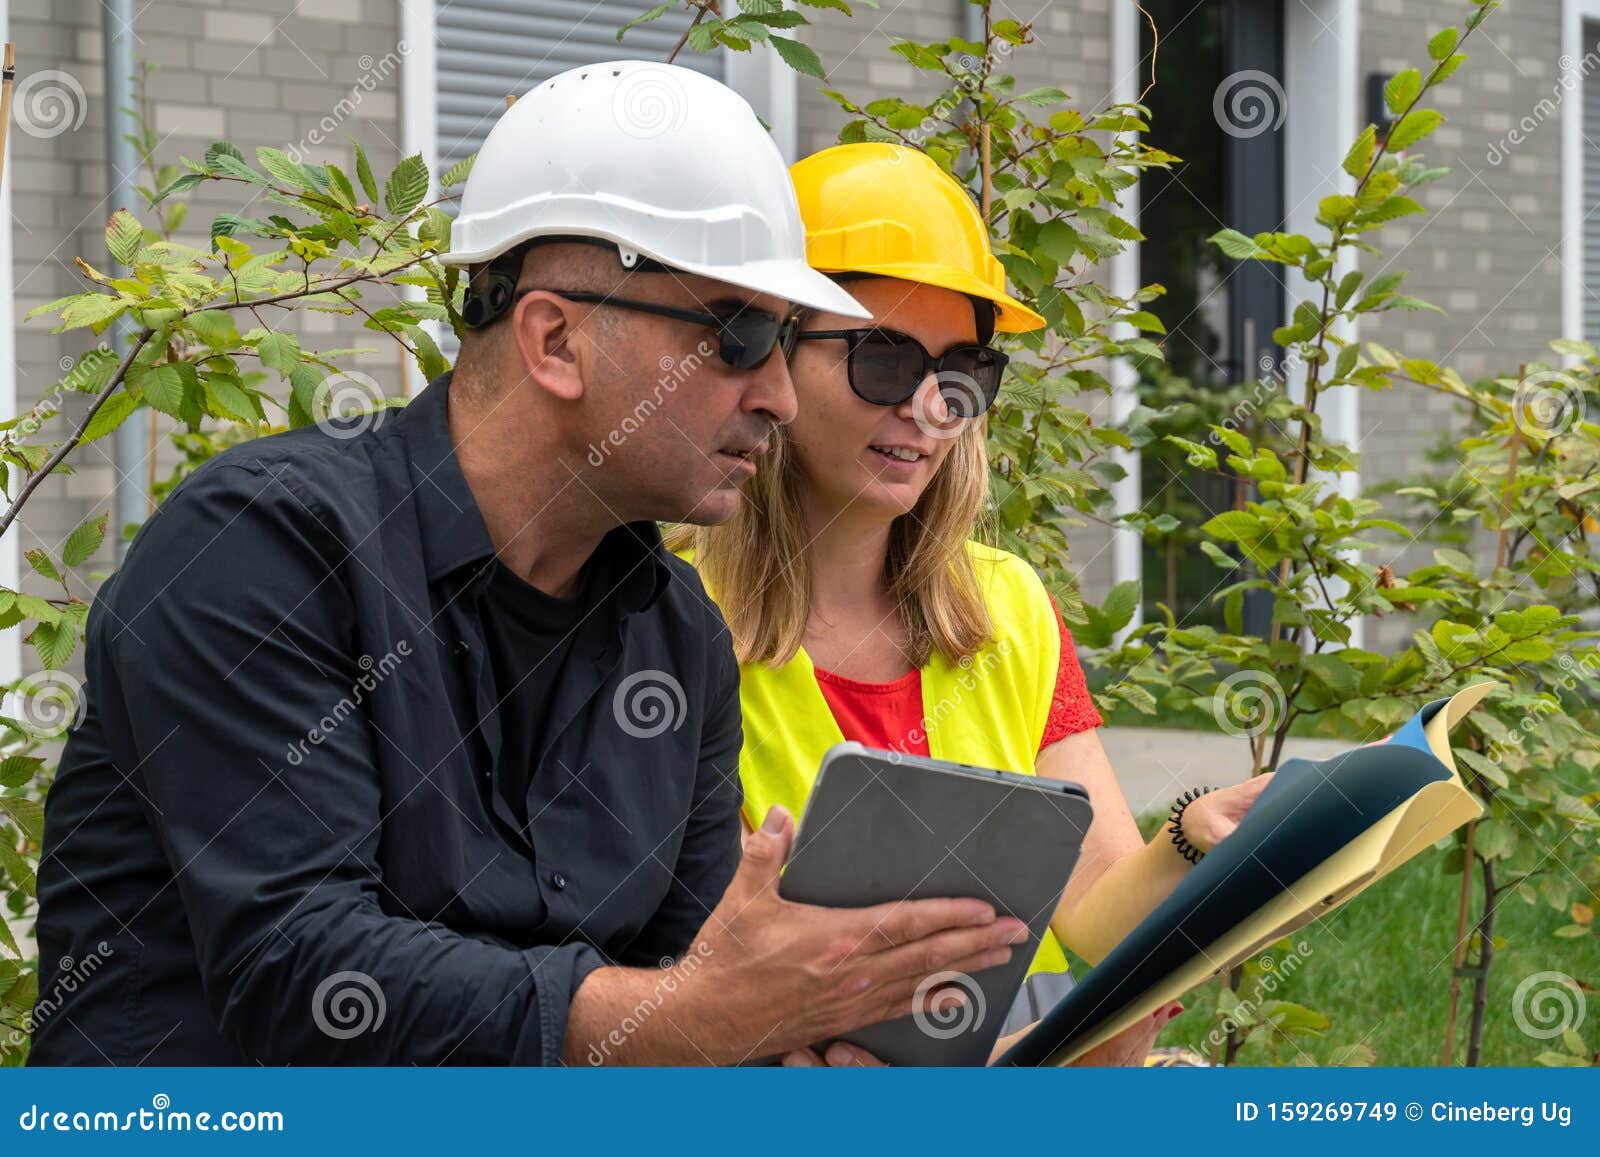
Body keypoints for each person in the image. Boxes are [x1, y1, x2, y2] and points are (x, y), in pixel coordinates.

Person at [27, 65, 1034, 1066]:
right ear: (555, 339)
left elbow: (685, 985)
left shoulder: (678, 636)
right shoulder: (263, 546)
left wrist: (798, 1042)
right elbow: (302, 976)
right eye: (741, 335)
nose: (780, 392)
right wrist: (699, 1018)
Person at [674, 143, 1273, 1066]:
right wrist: (1041, 1067)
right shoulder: (668, 622)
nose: (932, 407)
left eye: (962, 370)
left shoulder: (1006, 605)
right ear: (771, 356)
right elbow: (720, 998)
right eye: (882, 358)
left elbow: (1098, 908)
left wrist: (1197, 841)